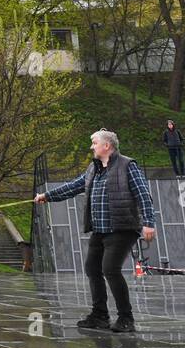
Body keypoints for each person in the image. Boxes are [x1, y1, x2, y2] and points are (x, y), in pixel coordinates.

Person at [34, 129, 156, 333]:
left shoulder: (128, 165)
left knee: (110, 269)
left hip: (122, 228)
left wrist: (149, 222)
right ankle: (99, 315)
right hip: (100, 230)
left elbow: (143, 195)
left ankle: (126, 318)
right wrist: (47, 195)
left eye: (94, 143)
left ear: (106, 146)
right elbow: (74, 186)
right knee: (92, 268)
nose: (91, 147)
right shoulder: (94, 168)